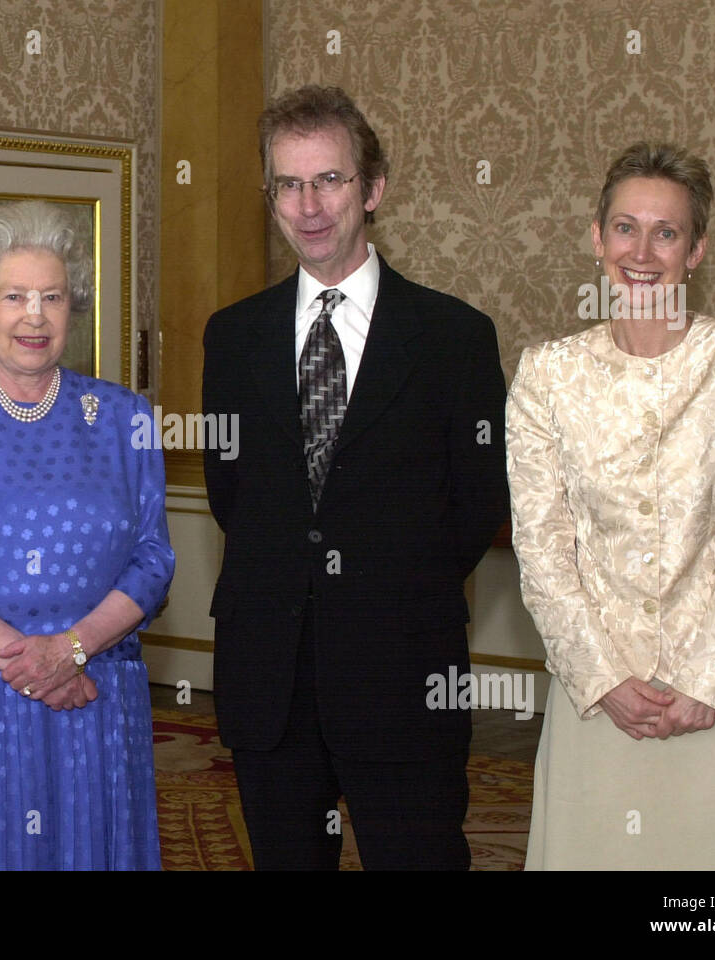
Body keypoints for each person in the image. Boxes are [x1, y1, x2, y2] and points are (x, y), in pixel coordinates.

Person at [201, 85, 509, 870]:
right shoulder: (233, 338)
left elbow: (478, 505)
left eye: (329, 180)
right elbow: (230, 493)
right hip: (270, 676)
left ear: (372, 190)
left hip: (403, 672)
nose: (309, 205)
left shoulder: (454, 338)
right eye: (288, 184)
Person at [508, 142, 715, 870]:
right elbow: (542, 547)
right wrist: (605, 677)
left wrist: (705, 681)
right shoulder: (548, 376)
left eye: (666, 232)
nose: (642, 252)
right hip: (599, 699)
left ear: (697, 248)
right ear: (596, 237)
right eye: (624, 228)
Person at [0, 201, 173, 870]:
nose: (34, 315)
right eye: (14, 296)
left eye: (52, 296)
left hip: (96, 691)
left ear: (74, 309)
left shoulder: (124, 415)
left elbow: (154, 557)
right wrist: (39, 663)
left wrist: (74, 650)